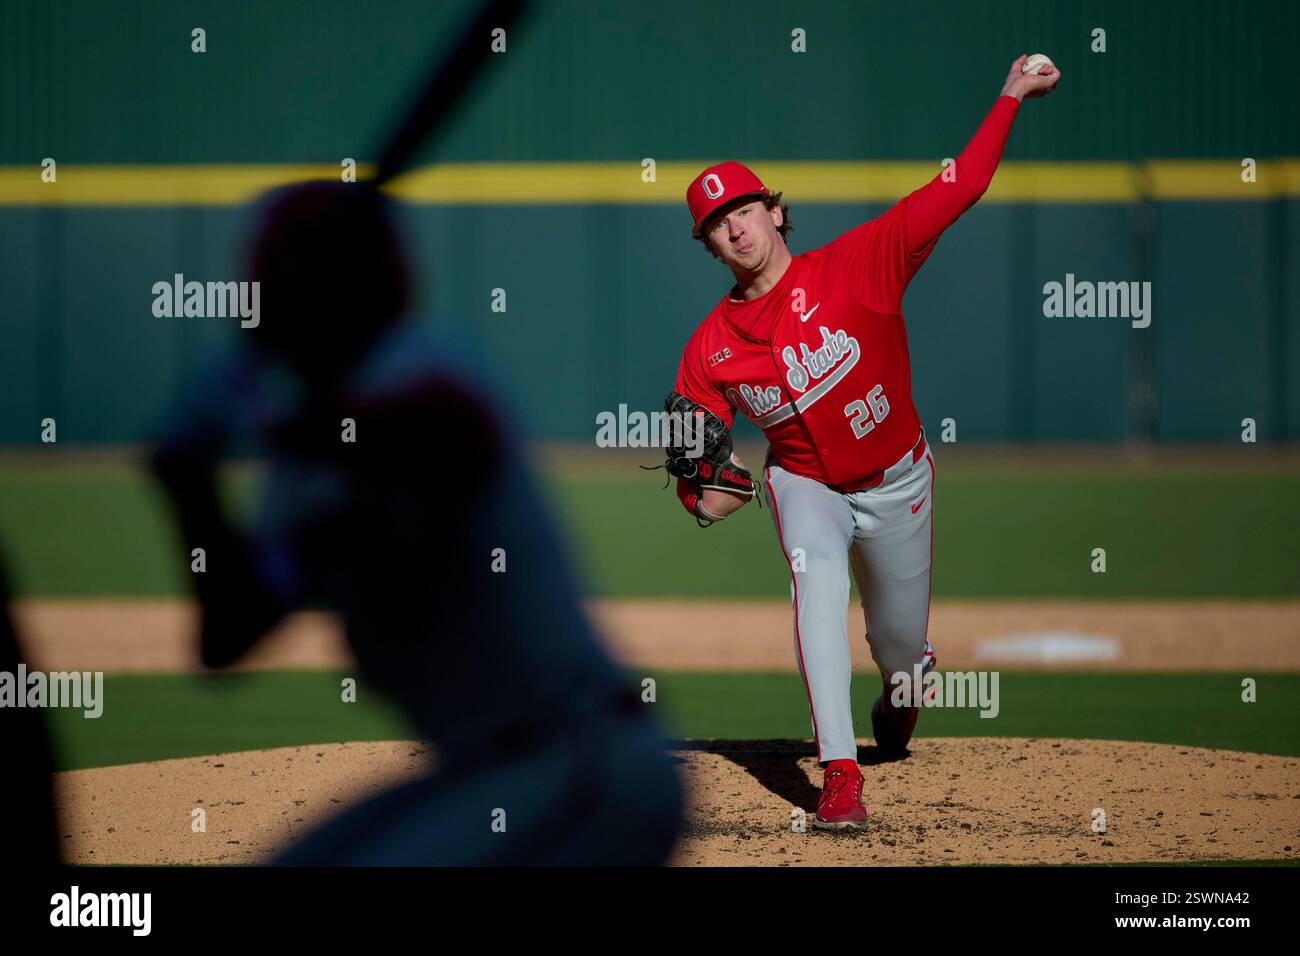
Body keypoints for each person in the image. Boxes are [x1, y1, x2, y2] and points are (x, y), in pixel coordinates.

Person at [150, 181, 682, 863]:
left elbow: (446, 440)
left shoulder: (422, 367)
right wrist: (189, 492)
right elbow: (228, 633)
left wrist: (273, 422)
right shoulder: (303, 473)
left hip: (583, 759)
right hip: (484, 769)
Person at [667, 56, 1060, 829]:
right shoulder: (707, 347)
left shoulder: (860, 264)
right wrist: (702, 490)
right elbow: (698, 462)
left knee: (899, 647)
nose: (734, 227)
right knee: (815, 588)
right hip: (806, 484)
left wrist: (1010, 96)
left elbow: (960, 188)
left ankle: (906, 687)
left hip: (898, 480)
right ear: (709, 244)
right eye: (716, 223)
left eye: (743, 208)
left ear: (775, 212)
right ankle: (839, 774)